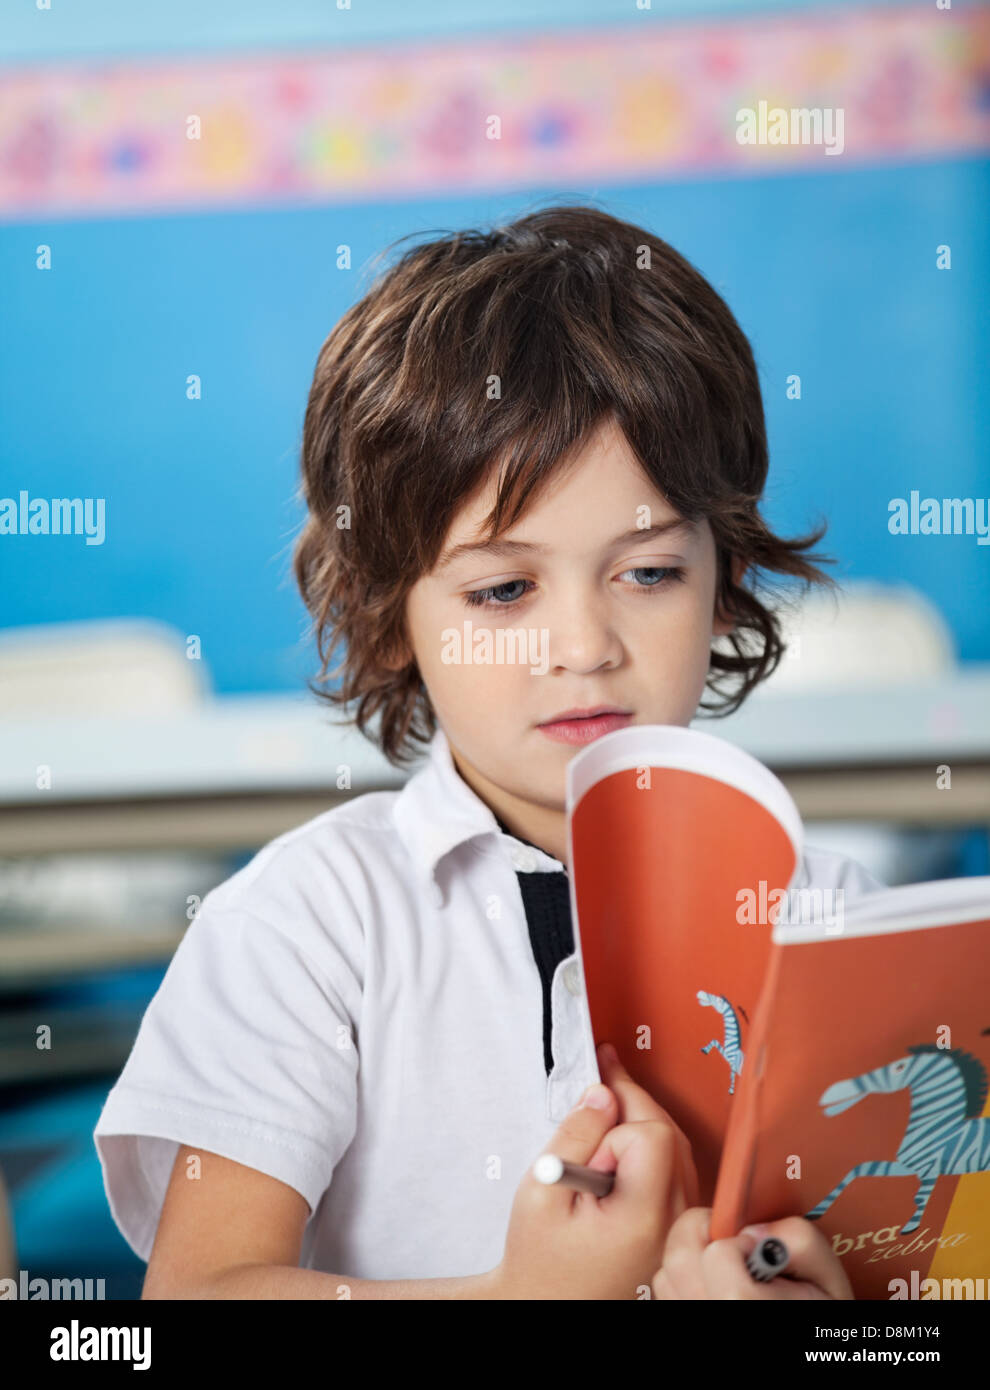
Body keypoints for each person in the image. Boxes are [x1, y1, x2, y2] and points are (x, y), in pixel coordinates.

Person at [94, 204, 880, 1299]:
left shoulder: (833, 919)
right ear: (389, 613)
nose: (586, 647)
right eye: (504, 589)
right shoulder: (306, 926)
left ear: (724, 582)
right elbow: (197, 1295)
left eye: (648, 572)